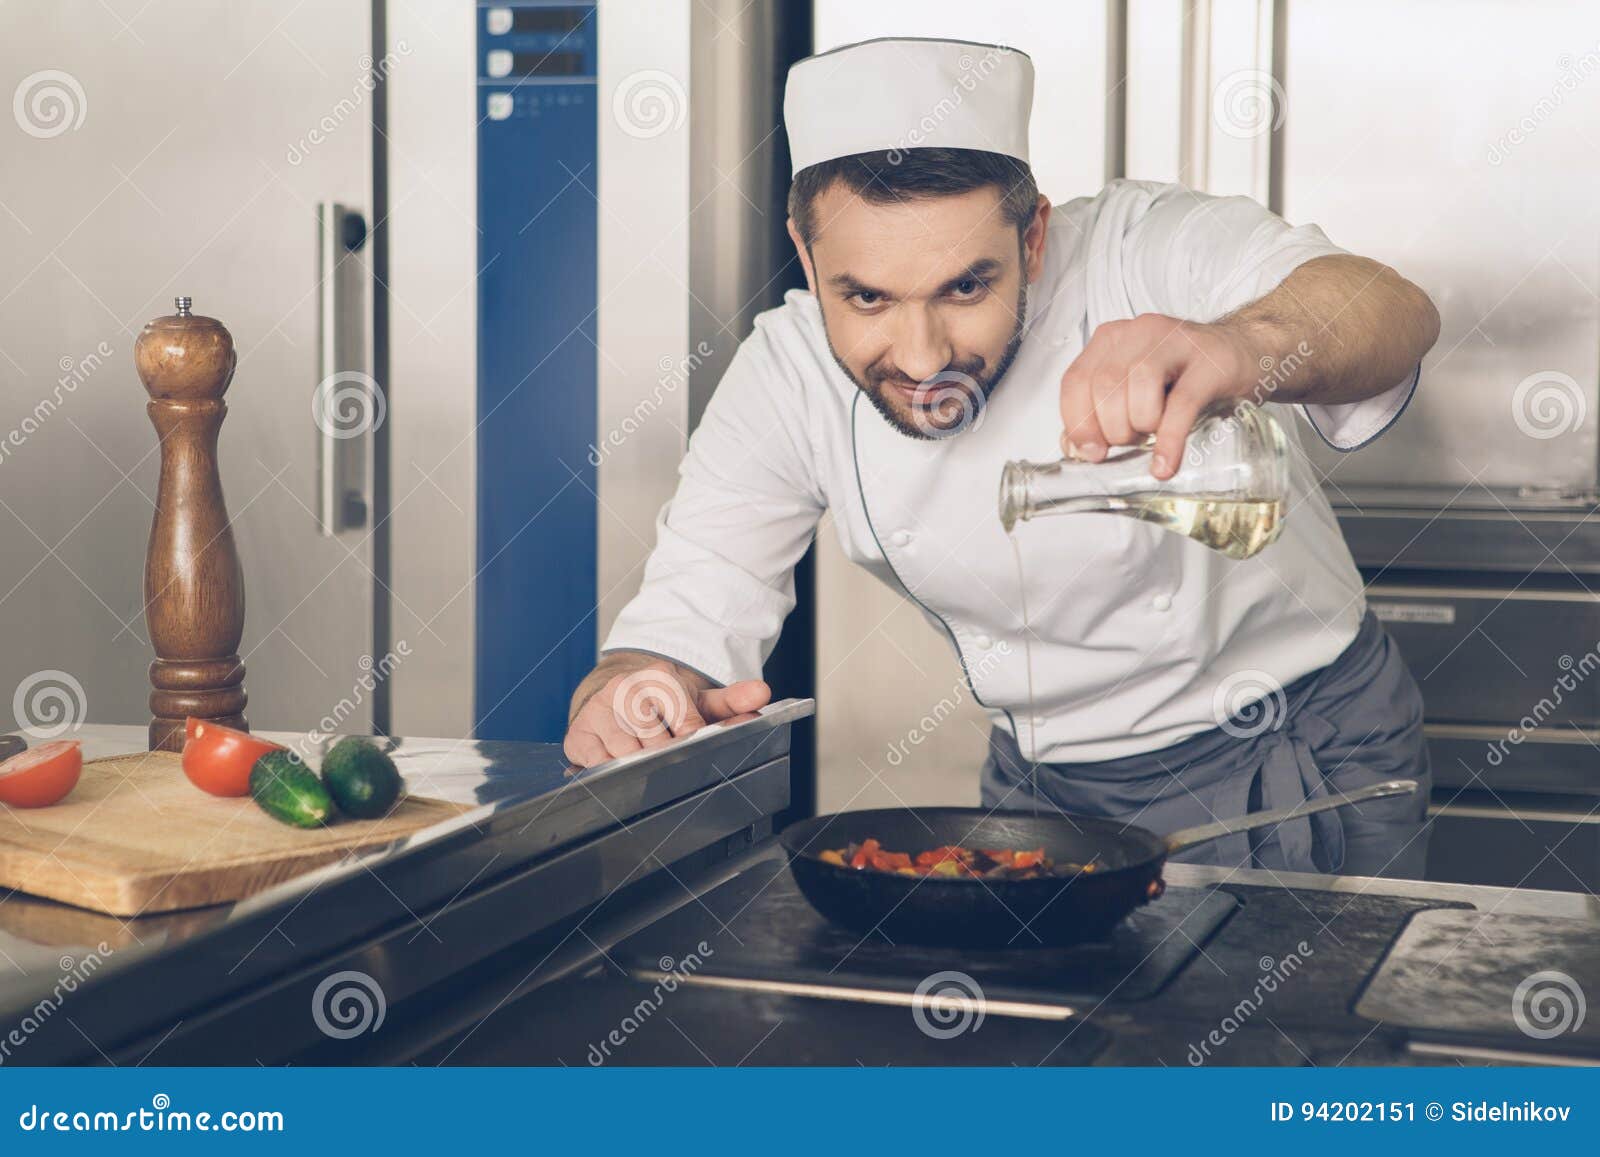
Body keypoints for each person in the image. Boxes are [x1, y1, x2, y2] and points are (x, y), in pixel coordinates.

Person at [564, 37, 1441, 879]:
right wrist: (635, 696)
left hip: (1289, 756)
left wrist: (1241, 345)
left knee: (1289, 1029)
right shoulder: (787, 375)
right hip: (1038, 786)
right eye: (866, 296)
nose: (918, 356)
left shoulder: (1138, 250)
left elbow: (1390, 310)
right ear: (806, 255)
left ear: (1032, 241)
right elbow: (688, 608)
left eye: (966, 287)